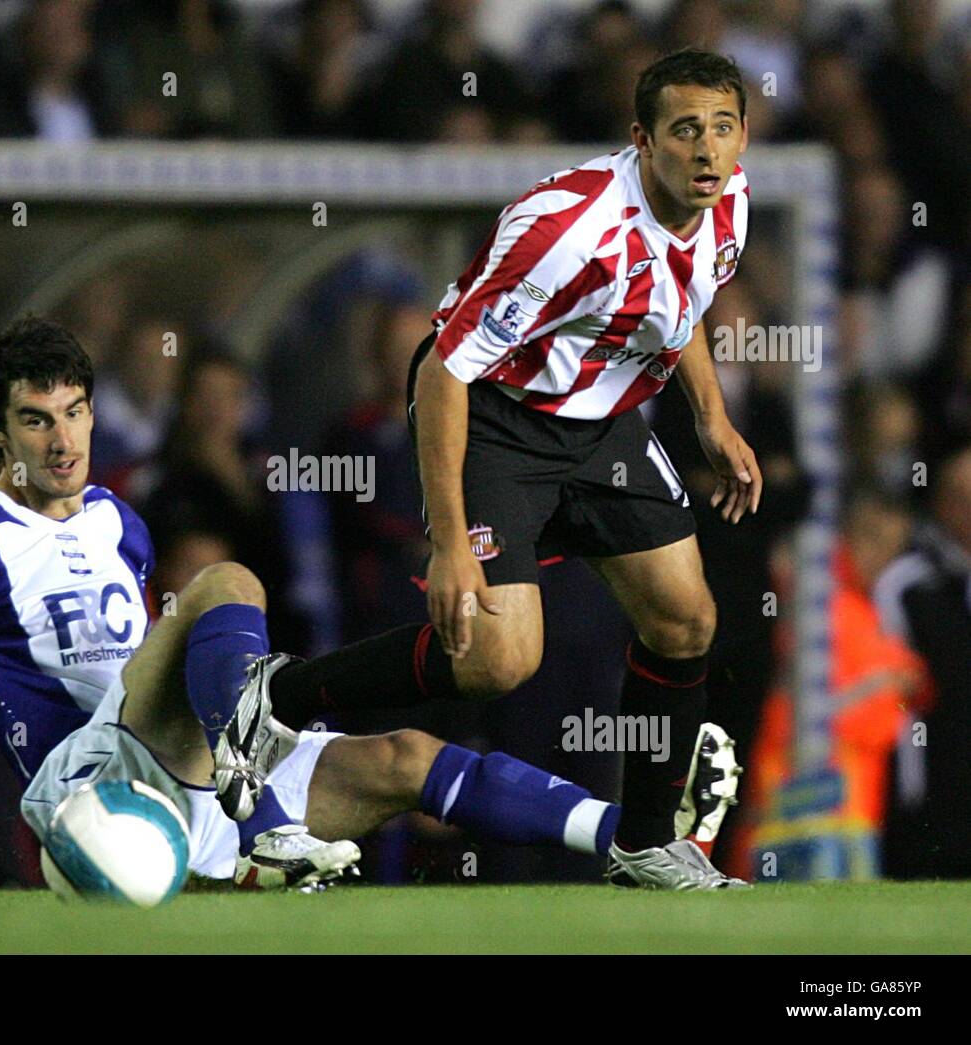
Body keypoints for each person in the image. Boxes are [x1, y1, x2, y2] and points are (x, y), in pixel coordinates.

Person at [0, 317, 742, 893]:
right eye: (33, 418)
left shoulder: (115, 518)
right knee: (226, 584)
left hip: (183, 772)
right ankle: (265, 812)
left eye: (73, 412)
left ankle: (633, 839)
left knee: (404, 757)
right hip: (96, 776)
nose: (60, 438)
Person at [221, 49, 760, 887]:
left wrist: (712, 419)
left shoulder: (729, 207)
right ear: (641, 141)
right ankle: (279, 695)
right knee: (496, 659)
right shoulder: (567, 230)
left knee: (687, 620)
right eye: (685, 130)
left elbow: (677, 305)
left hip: (601, 421)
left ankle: (647, 842)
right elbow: (444, 367)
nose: (707, 150)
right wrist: (448, 543)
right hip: (495, 419)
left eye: (723, 129)